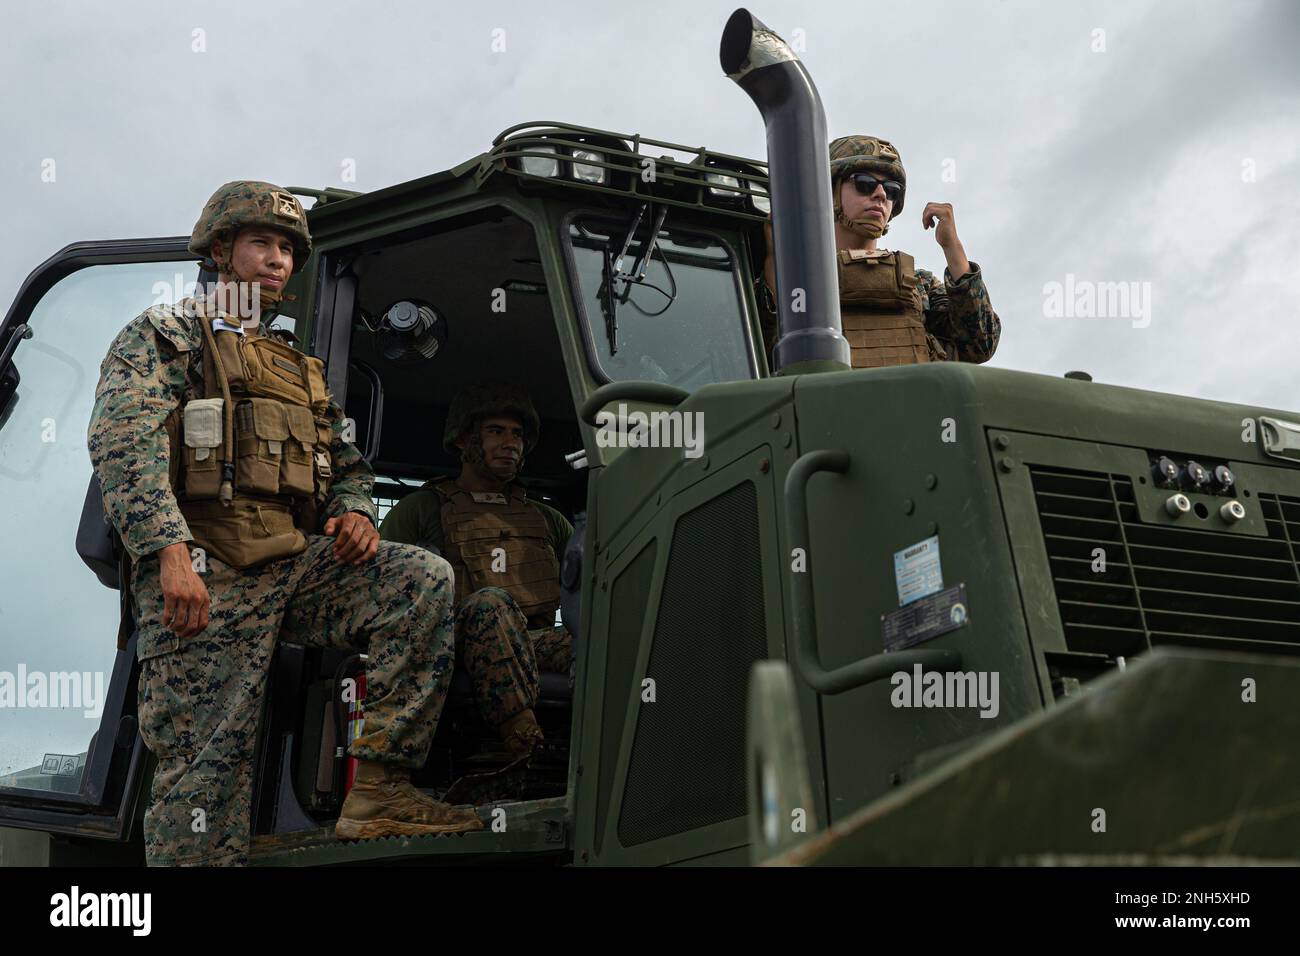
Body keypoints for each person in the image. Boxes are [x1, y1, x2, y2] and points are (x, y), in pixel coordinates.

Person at [87, 180, 482, 866]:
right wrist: (169, 557)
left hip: (290, 566)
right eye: (261, 243)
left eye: (288, 250)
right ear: (219, 251)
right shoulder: (166, 335)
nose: (277, 261)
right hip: (204, 581)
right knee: (204, 779)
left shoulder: (300, 370)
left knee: (419, 579)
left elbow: (349, 466)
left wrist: (356, 511)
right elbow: (125, 449)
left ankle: (380, 787)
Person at [380, 385, 572, 759]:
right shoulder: (420, 509)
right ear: (466, 438)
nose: (510, 443)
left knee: (595, 646)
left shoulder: (546, 519)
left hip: (532, 640)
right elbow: (385, 587)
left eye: (517, 434)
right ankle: (523, 739)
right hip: (453, 643)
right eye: (496, 431)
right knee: (489, 603)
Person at [828, 134, 1000, 367]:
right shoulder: (801, 278)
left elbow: (980, 346)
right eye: (864, 183)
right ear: (829, 191)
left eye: (891, 190)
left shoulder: (919, 284)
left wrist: (952, 248)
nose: (880, 195)